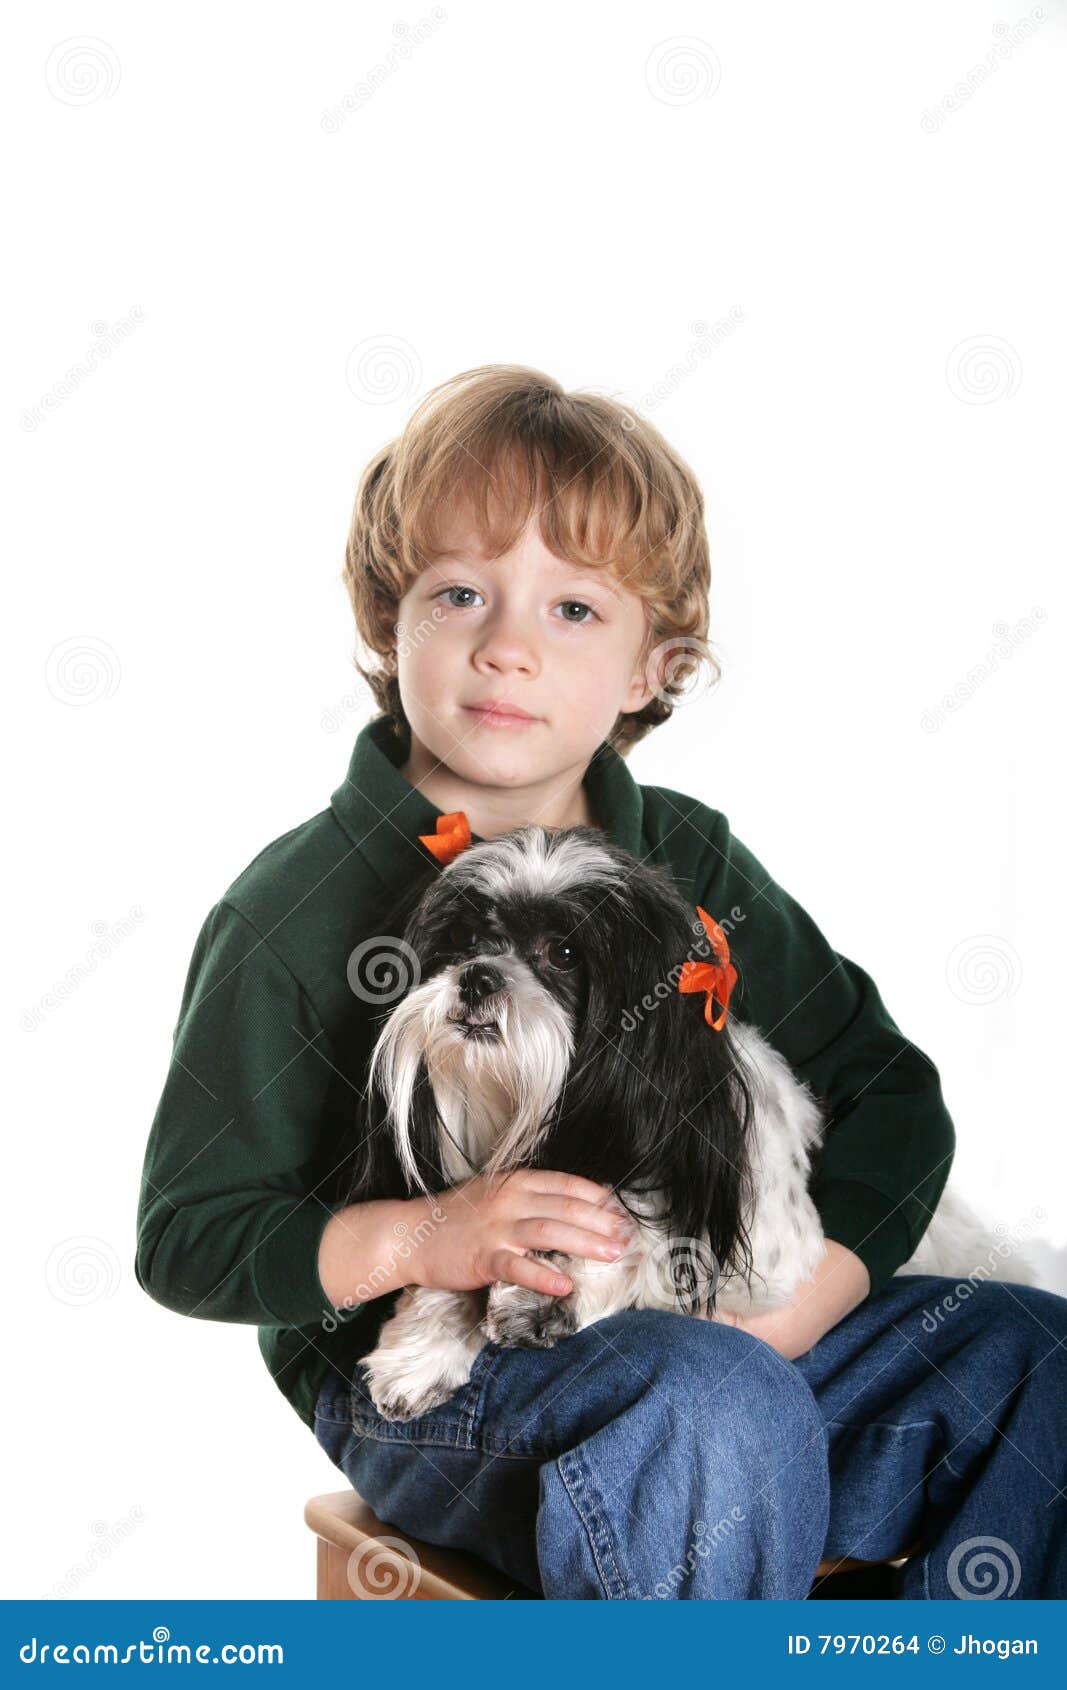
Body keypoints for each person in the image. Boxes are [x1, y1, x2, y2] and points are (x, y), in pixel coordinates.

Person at [135, 365, 1067, 1599]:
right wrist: (430, 1236)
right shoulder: (290, 910)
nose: (507, 646)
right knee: (705, 1396)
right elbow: (187, 1236)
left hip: (726, 1334)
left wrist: (804, 1308)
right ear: (384, 622)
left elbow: (888, 1096)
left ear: (649, 667)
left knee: (1032, 1359)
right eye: (458, 591)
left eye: (573, 610)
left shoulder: (692, 861)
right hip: (451, 1390)